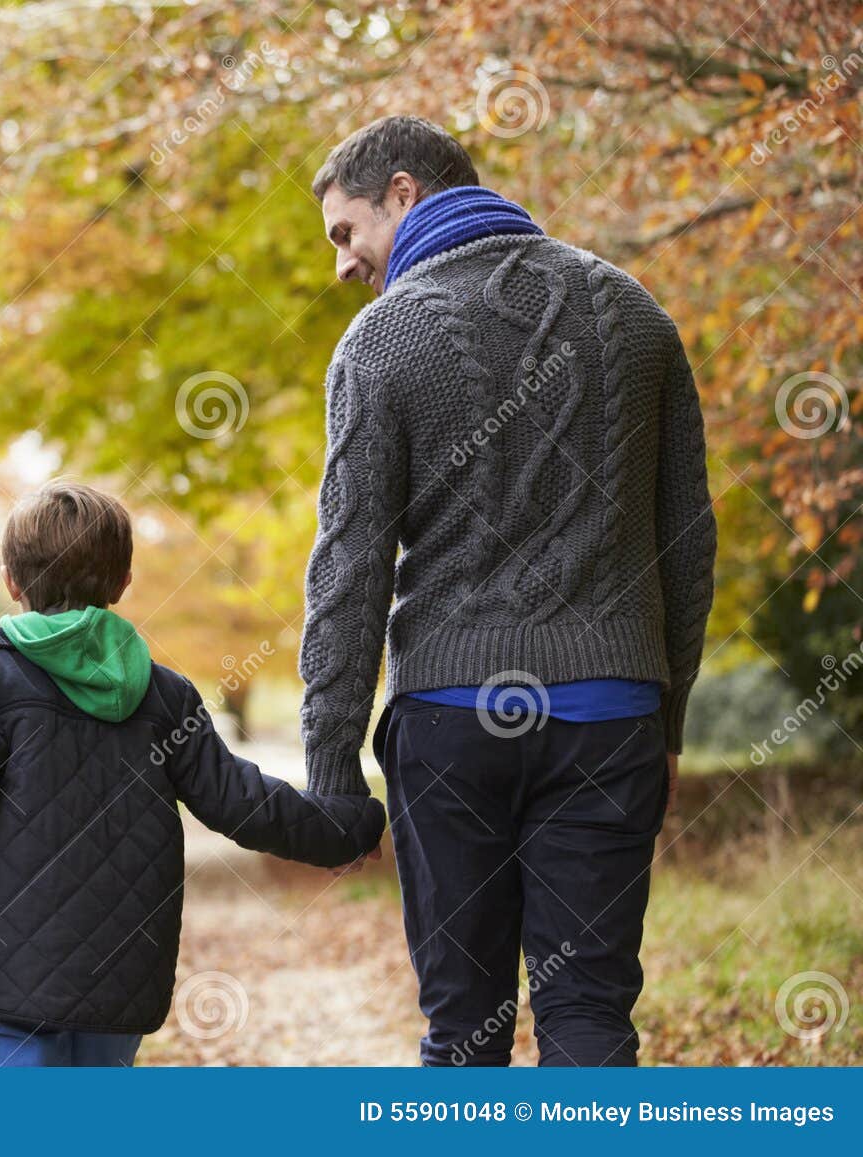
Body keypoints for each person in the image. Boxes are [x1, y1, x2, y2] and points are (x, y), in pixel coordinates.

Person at [297, 114, 716, 1066]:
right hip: (610, 716)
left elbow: (348, 572)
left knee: (463, 1030)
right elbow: (687, 546)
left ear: (404, 193)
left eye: (345, 232)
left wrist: (330, 775)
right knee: (590, 1020)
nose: (343, 264)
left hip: (452, 723)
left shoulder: (382, 341)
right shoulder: (635, 315)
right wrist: (667, 722)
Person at [0, 481, 385, 1066]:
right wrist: (342, 829)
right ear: (123, 582)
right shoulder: (165, 695)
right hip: (122, 961)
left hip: (11, 959)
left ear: (10, 580)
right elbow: (240, 799)